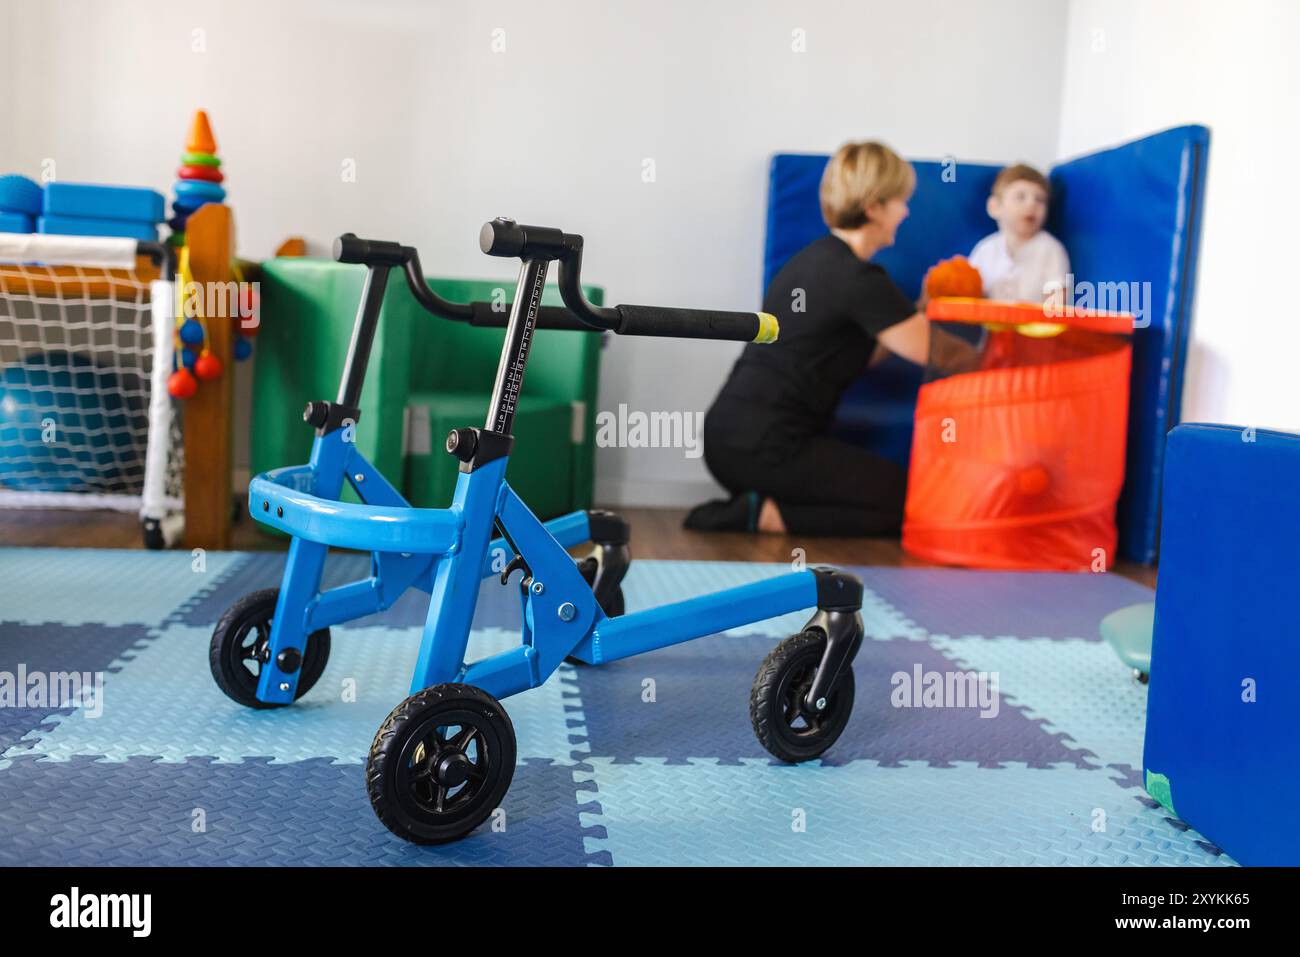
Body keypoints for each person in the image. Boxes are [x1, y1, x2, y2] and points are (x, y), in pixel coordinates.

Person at [686, 141, 976, 537]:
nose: (906, 212)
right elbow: (940, 353)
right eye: (899, 202)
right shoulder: (858, 279)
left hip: (733, 437)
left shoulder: (812, 261)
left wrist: (921, 308)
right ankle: (761, 516)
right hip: (765, 445)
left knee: (894, 495)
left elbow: (869, 352)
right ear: (874, 207)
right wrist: (1009, 364)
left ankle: (763, 508)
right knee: (906, 502)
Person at [968, 163, 1070, 303]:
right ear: (994, 207)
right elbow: (969, 293)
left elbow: (1056, 301)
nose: (1031, 204)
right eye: (1020, 197)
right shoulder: (985, 250)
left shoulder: (1051, 250)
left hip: (1035, 324)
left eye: (1040, 200)